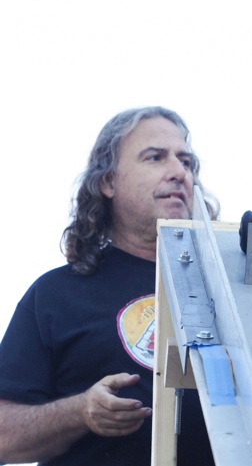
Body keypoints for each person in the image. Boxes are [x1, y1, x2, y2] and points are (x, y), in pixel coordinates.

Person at [0, 107, 217, 465]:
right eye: (155, 157)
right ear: (108, 182)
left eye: (186, 162)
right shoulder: (56, 295)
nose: (179, 173)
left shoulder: (226, 290)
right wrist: (80, 411)